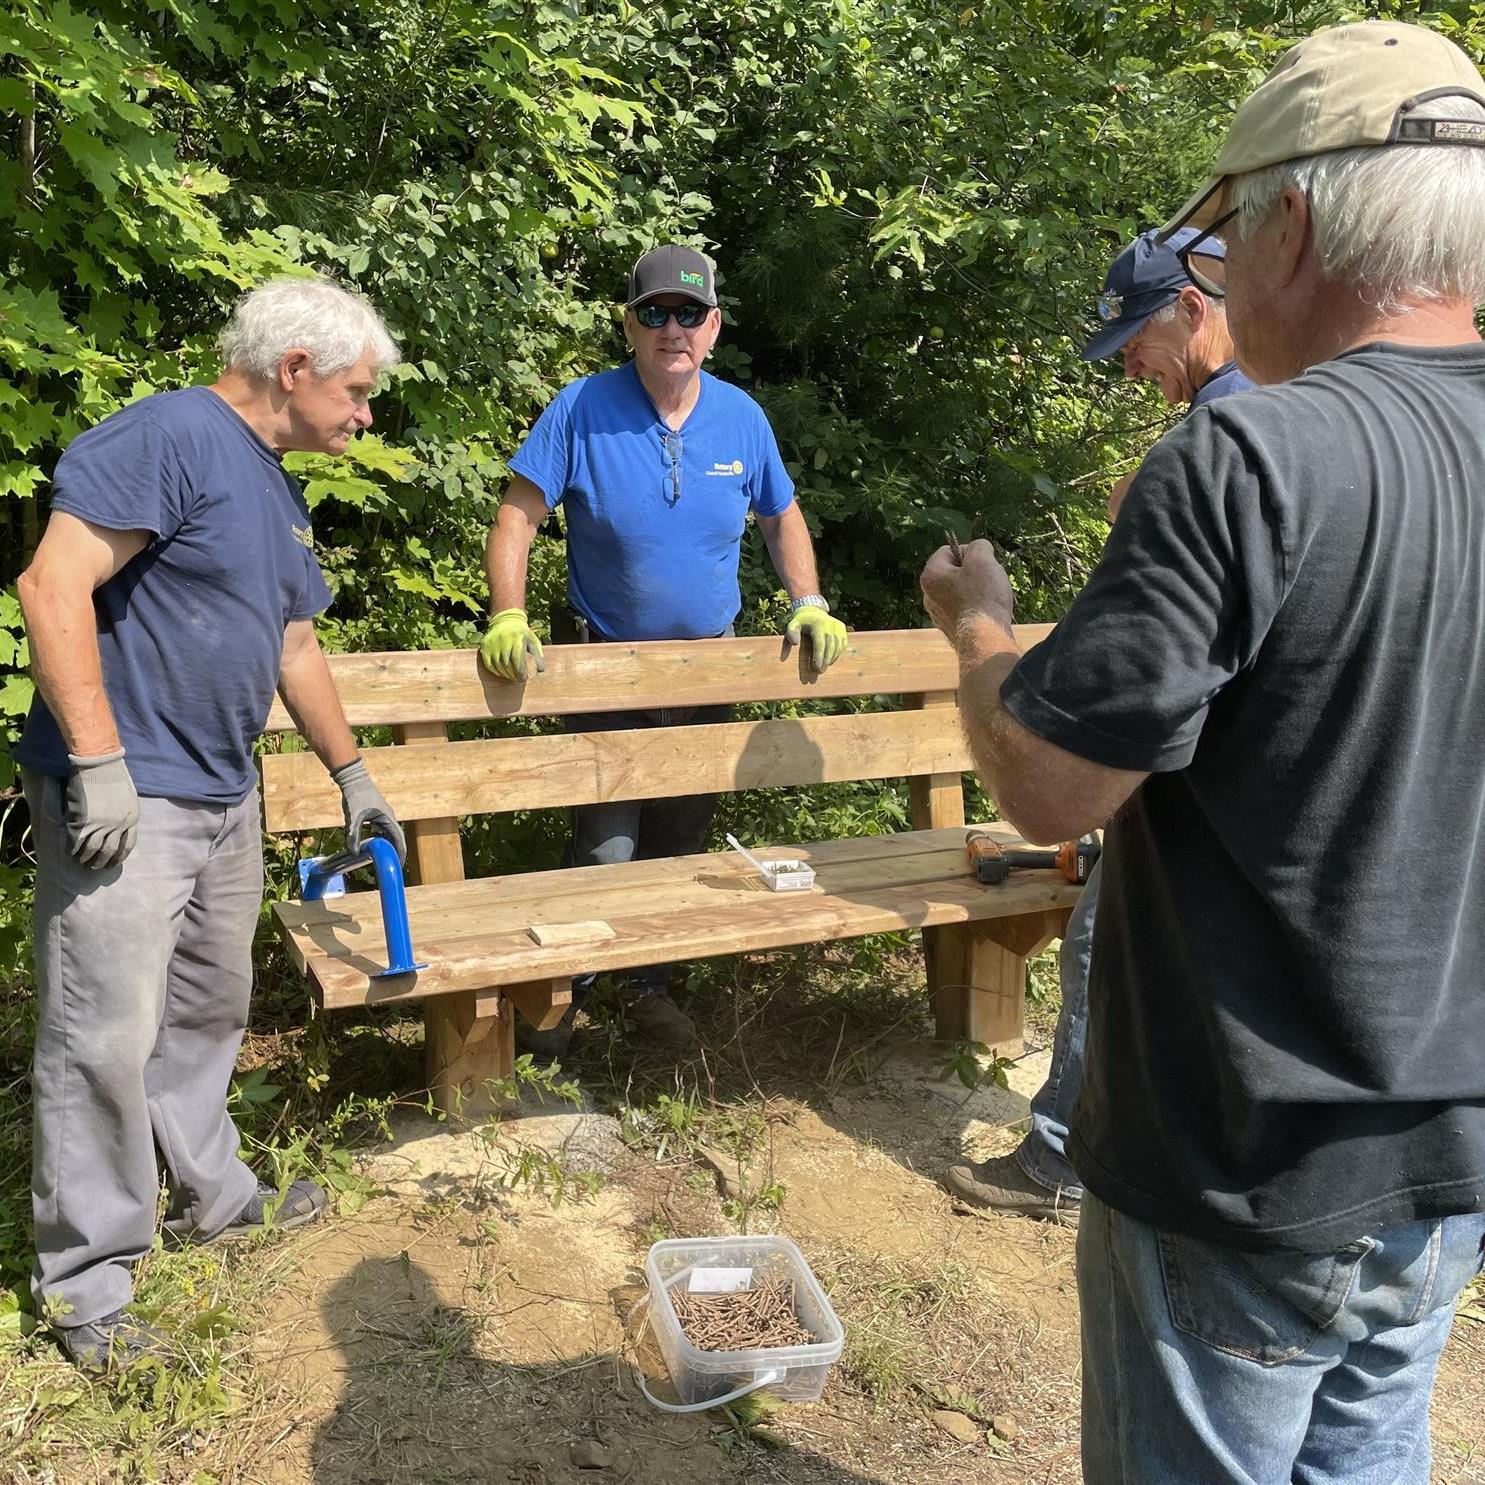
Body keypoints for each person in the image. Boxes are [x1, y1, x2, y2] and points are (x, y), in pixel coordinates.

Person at [920, 20, 1485, 1480]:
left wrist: (980, 632)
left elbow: (1052, 783)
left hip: (1246, 1158)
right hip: (1454, 1146)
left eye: (1220, 234)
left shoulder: (1249, 461)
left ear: (1289, 222)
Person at [14, 277, 406, 1372]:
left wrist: (354, 772)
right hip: (128, 804)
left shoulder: (274, 487)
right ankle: (89, 1283)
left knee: (205, 1012)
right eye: (358, 391)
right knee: (100, 1037)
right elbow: (53, 588)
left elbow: (292, 643)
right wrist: (95, 761)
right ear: (296, 369)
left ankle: (212, 1195)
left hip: (225, 795)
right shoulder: (169, 437)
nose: (364, 416)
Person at [942, 228, 1252, 1226]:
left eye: (1136, 337)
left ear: (1196, 310)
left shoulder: (1227, 430)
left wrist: (979, 623)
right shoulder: (1272, 412)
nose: (1128, 362)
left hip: (1173, 771)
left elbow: (1040, 795)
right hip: (1214, 773)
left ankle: (1057, 1162)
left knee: (1099, 955)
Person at [479, 245, 847, 1053]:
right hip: (604, 666)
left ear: (712, 327)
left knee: (681, 840)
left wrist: (808, 600)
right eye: (654, 312)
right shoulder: (579, 408)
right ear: (630, 323)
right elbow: (516, 516)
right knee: (605, 843)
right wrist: (508, 615)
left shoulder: (742, 418)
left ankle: (647, 990)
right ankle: (562, 1003)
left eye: (688, 314)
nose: (670, 328)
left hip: (709, 668)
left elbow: (780, 515)